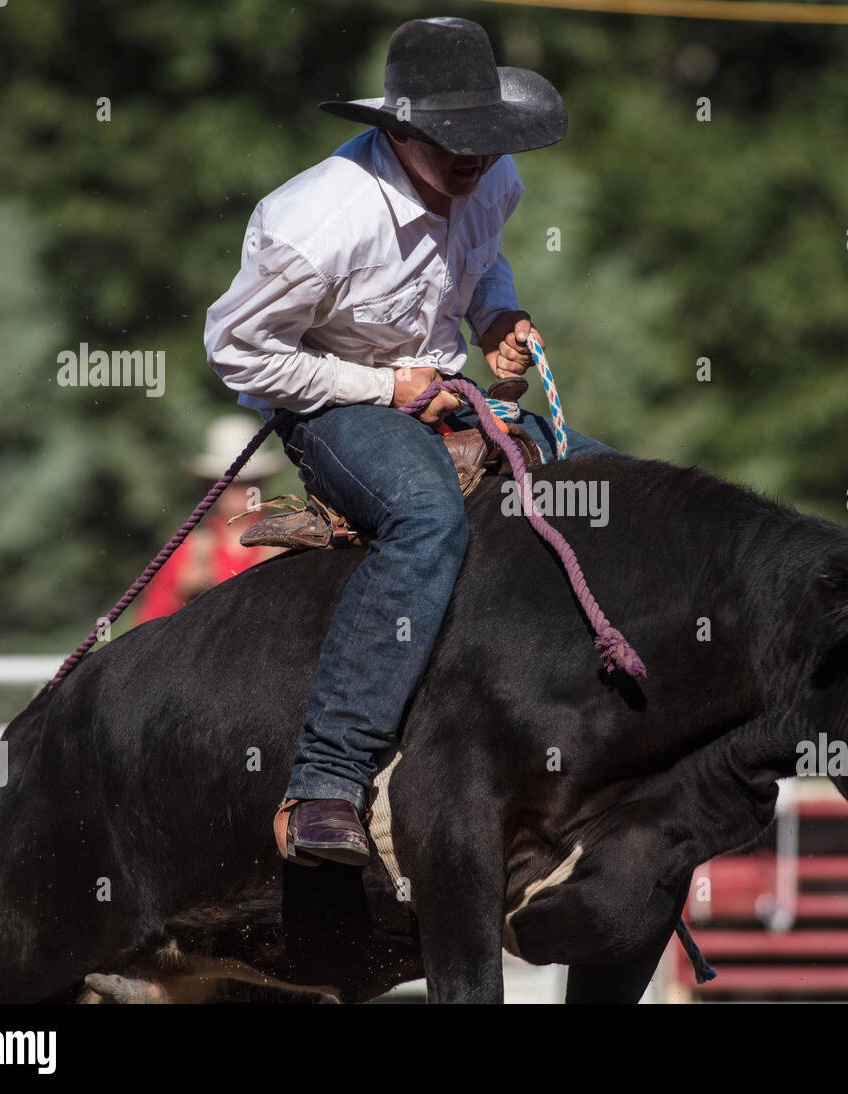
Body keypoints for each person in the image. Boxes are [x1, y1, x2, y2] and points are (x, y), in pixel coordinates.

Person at [204, 17, 615, 867]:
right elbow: (235, 350)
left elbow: (481, 260)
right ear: (399, 130)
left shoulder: (490, 178)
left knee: (605, 481)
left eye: (483, 136)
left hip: (436, 388)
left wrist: (497, 315)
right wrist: (381, 388)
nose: (475, 155)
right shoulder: (318, 221)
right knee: (427, 516)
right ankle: (325, 782)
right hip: (331, 404)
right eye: (450, 138)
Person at [133, 415, 286, 624]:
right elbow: (146, 628)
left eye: (247, 479)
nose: (237, 488)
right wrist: (179, 595)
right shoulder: (186, 549)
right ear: (212, 485)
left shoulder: (287, 544)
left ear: (261, 482)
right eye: (229, 480)